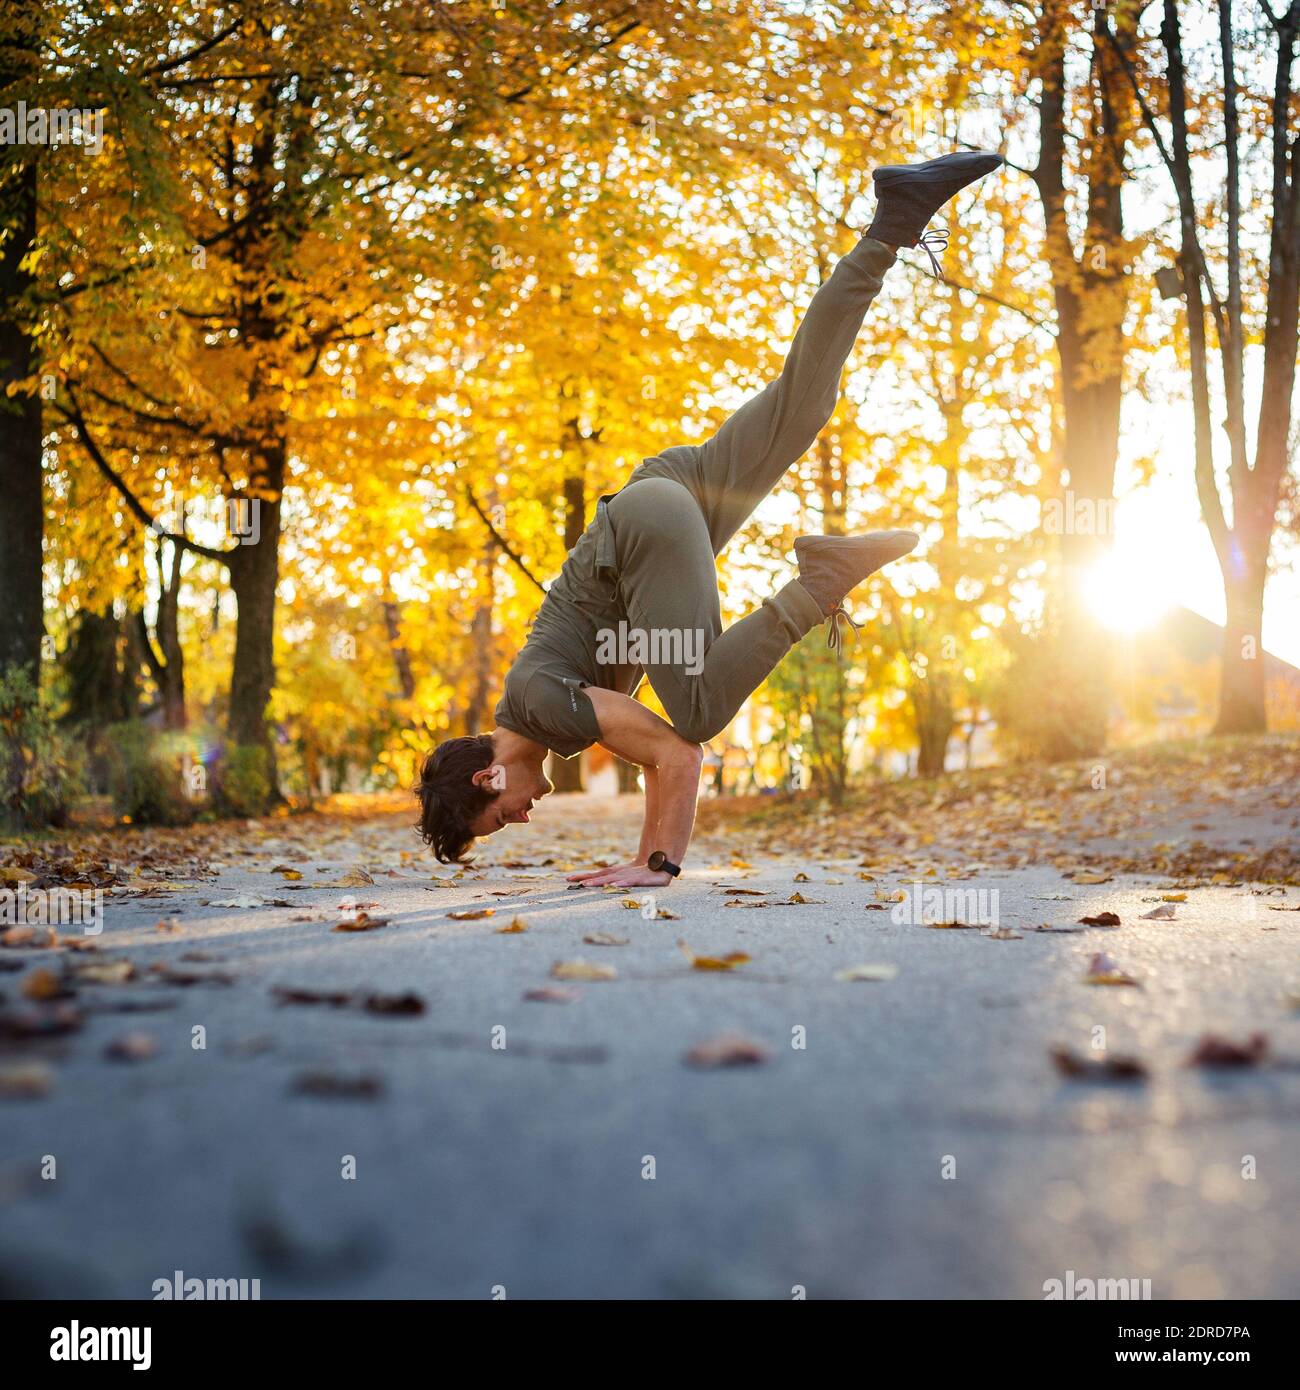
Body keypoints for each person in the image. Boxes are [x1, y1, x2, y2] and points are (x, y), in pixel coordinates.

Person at [416, 151, 1004, 886]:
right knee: (804, 406)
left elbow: (679, 751)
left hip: (649, 526)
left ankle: (817, 585)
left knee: (694, 705)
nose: (523, 818)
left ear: (487, 780)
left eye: (502, 817)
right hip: (667, 496)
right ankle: (893, 222)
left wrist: (657, 868)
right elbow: (655, 750)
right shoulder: (542, 707)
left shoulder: (540, 706)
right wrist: (639, 856)